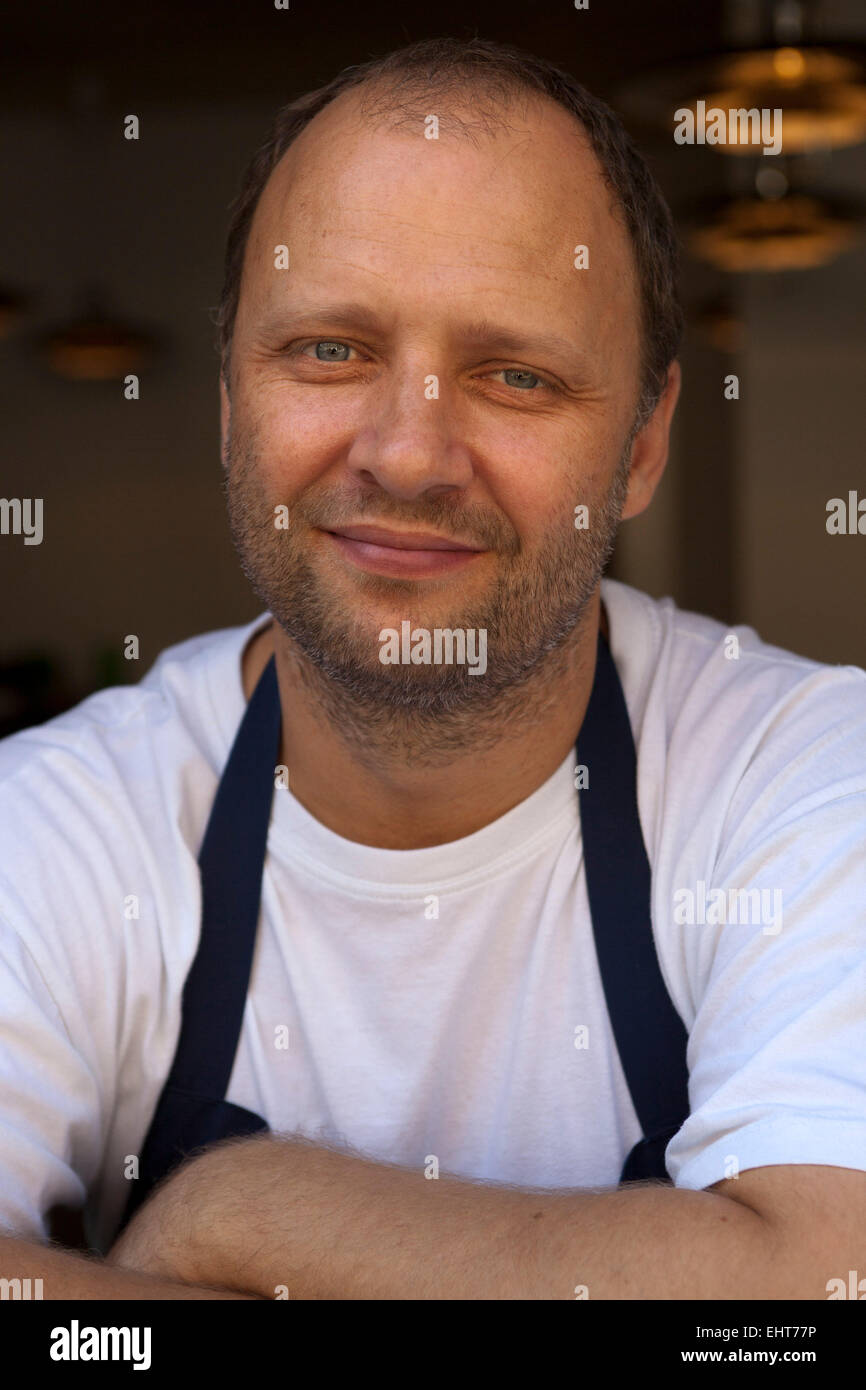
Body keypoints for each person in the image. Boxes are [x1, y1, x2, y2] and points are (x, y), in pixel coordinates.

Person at [1, 36, 864, 1301]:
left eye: (514, 374)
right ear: (232, 404)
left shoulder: (809, 776)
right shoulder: (51, 827)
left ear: (640, 444)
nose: (408, 455)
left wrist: (237, 1218)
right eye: (329, 351)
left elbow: (819, 1290)